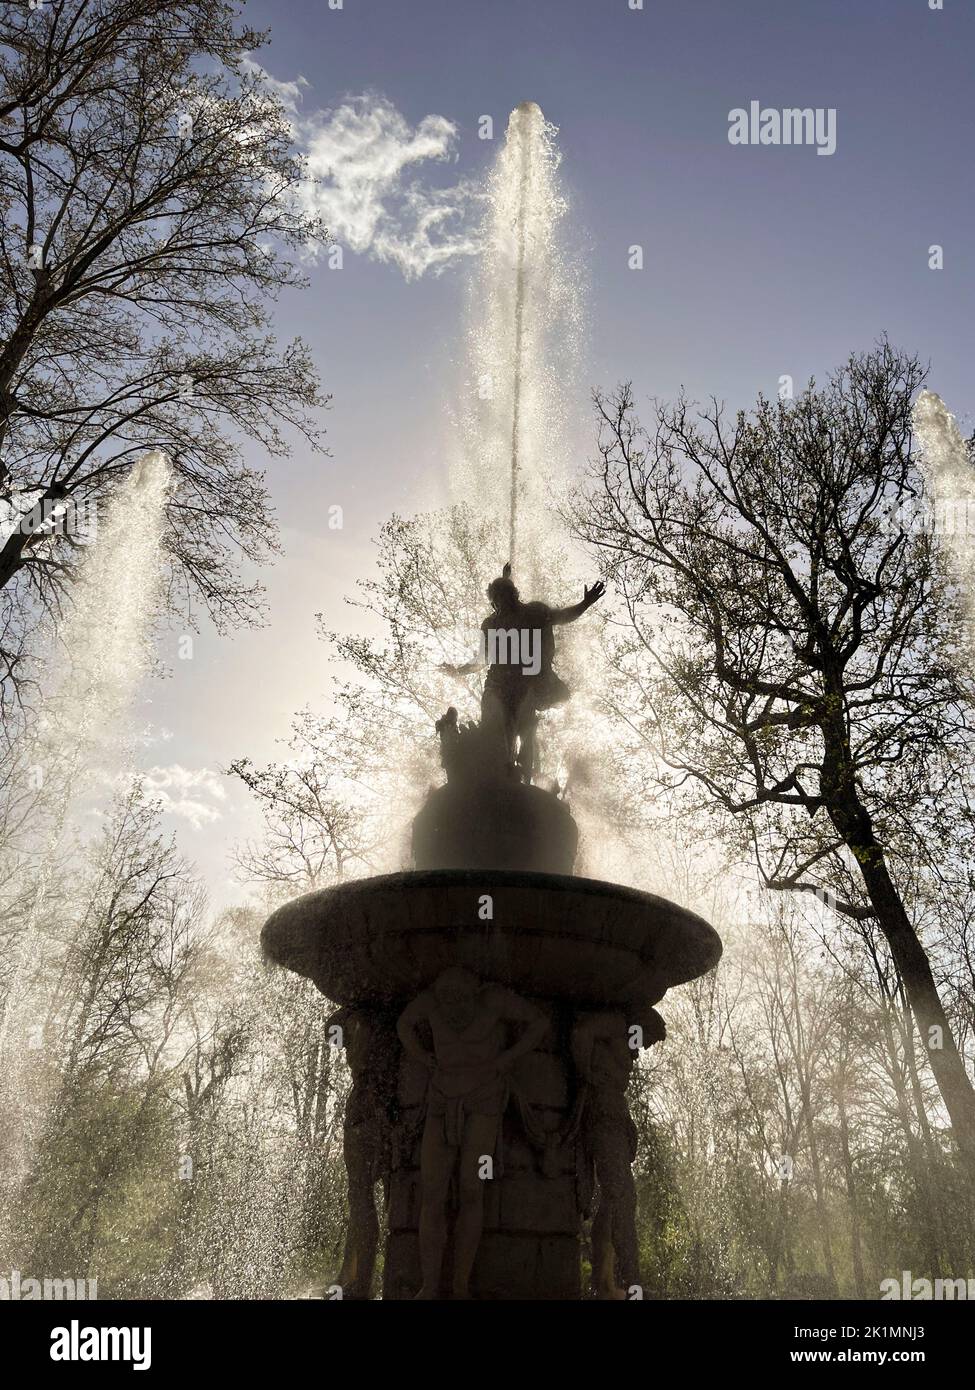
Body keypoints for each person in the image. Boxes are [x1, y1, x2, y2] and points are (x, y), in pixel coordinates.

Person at [397, 967, 548, 1299]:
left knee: (471, 1188)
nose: (452, 1006)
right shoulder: (431, 1002)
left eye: (459, 998)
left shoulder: (494, 1000)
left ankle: (461, 1286)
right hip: (440, 1101)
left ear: (474, 993)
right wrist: (422, 1056)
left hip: (483, 1101)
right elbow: (403, 1024)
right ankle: (431, 1285)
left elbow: (539, 1022)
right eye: (446, 998)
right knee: (432, 1192)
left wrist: (506, 1059)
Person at [442, 565, 605, 780]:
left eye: (503, 598)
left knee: (526, 731)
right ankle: (498, 769)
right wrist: (458, 671)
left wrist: (584, 604)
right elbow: (482, 659)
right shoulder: (490, 624)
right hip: (496, 685)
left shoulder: (533, 613)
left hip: (524, 685)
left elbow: (561, 616)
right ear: (493, 601)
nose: (499, 605)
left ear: (513, 596)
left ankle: (523, 775)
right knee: (495, 732)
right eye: (495, 600)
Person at [568, 1005, 666, 1300]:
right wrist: (586, 1074)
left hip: (613, 1115)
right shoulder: (613, 1023)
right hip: (602, 1114)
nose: (645, 1047)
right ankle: (630, 1282)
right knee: (622, 1197)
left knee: (615, 1201)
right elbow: (581, 1033)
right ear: (641, 1026)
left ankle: (605, 1283)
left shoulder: (622, 1036)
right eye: (647, 1039)